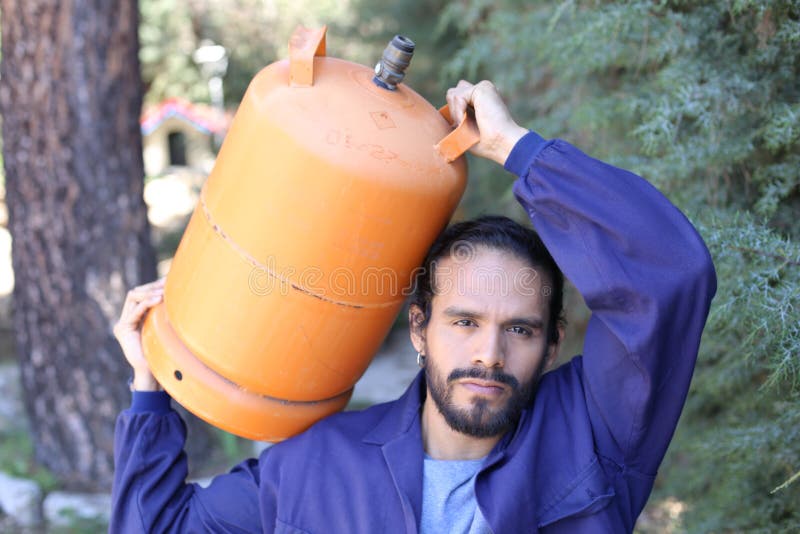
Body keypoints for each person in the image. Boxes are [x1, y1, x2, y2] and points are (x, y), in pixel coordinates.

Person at [111, 80, 716, 533]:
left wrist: (518, 150)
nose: (490, 354)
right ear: (420, 327)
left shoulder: (593, 437)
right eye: (465, 321)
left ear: (554, 343)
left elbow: (669, 275)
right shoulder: (318, 463)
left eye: (521, 330)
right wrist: (152, 384)